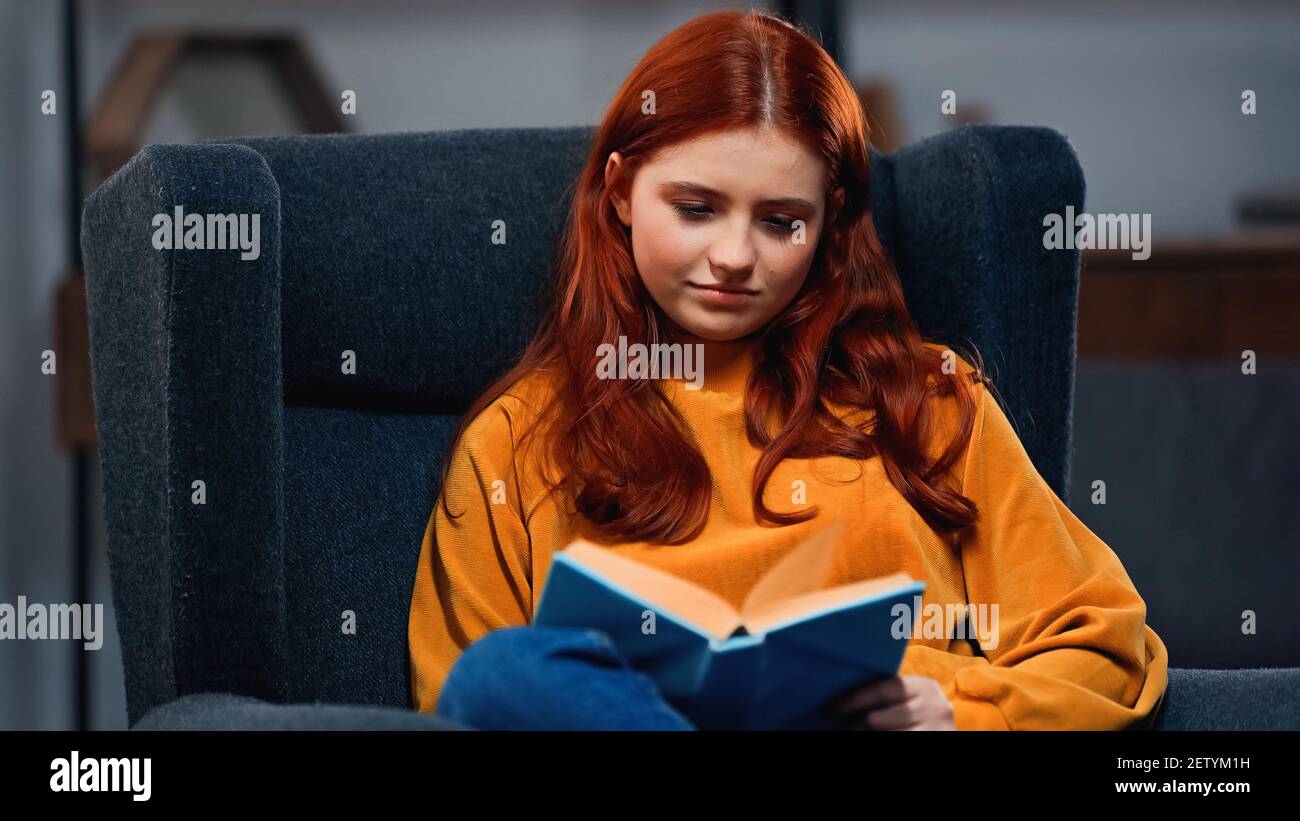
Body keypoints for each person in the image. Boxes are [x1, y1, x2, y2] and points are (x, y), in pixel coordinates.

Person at [408, 8, 1168, 731]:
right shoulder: (517, 440)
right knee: (503, 673)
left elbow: (1107, 648)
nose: (736, 257)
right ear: (620, 195)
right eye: (697, 208)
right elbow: (465, 700)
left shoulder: (929, 401)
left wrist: (961, 708)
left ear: (828, 224)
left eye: (781, 222)